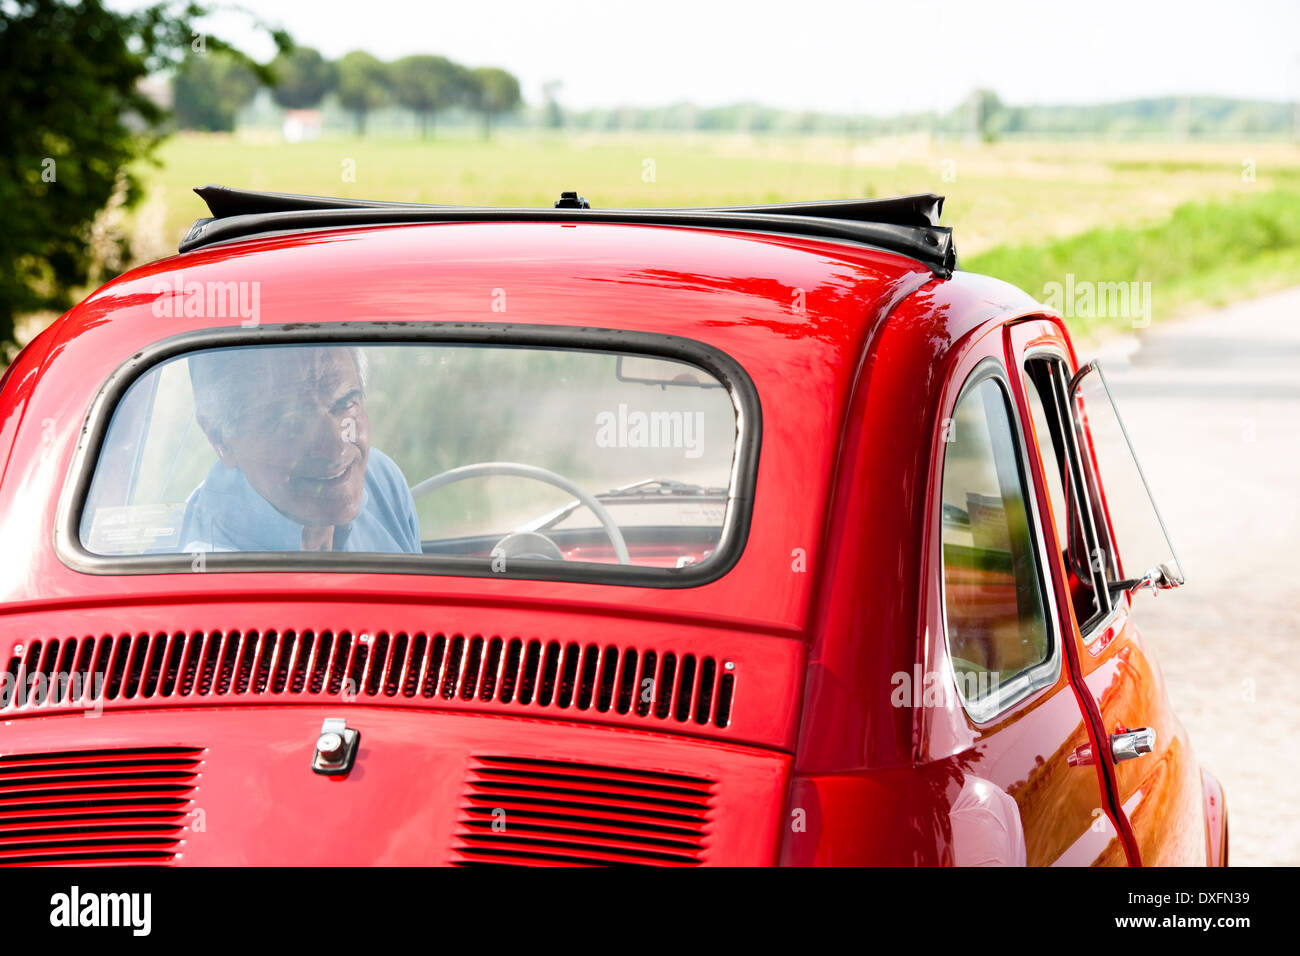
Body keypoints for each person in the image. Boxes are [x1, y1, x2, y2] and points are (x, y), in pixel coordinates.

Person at [180, 345, 421, 554]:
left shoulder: (380, 478)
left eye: (346, 404)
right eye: (293, 423)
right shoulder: (204, 569)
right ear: (220, 437)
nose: (336, 450)